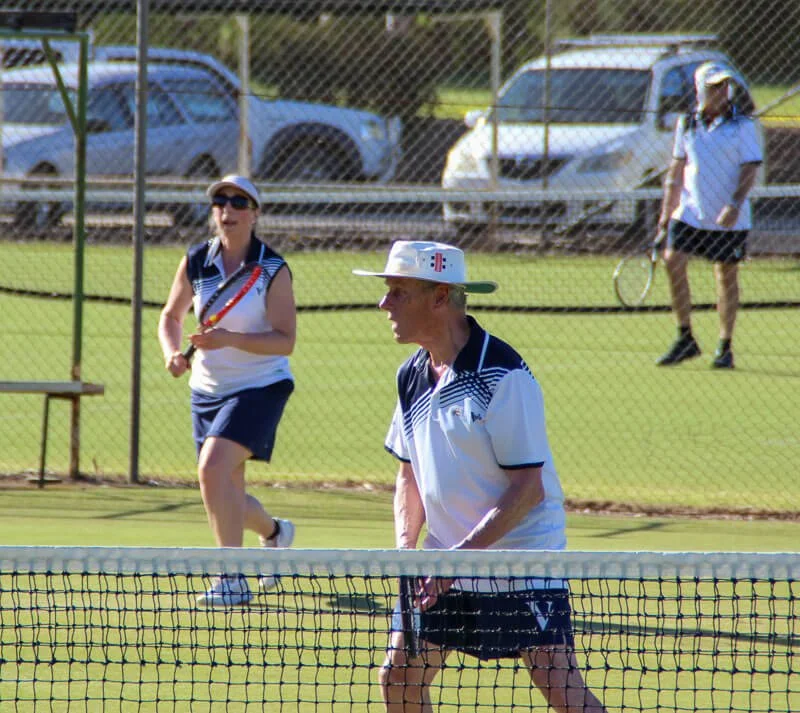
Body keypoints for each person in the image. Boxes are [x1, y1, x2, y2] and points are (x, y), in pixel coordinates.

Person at [353, 240, 607, 713]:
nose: (383, 304)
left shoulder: (503, 376)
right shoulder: (410, 375)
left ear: (439, 297)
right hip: (443, 559)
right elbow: (409, 476)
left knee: (559, 686)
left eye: (398, 292)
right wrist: (408, 550)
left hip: (521, 561)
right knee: (399, 678)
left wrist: (458, 560)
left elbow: (528, 489)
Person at [157, 175, 296, 607]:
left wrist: (230, 339)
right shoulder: (197, 260)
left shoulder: (273, 269)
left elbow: (285, 339)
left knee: (211, 470)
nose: (227, 210)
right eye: (220, 201)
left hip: (261, 386)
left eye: (239, 202)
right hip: (207, 388)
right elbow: (171, 316)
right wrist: (172, 353)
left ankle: (230, 579)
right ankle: (276, 533)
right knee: (227, 487)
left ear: (254, 213)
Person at [656, 61, 763, 369]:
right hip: (690, 212)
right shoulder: (686, 124)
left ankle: (724, 345)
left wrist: (734, 204)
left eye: (724, 86)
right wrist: (666, 215)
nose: (721, 92)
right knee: (672, 260)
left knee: (725, 274)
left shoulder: (742, 125)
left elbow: (750, 167)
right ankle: (685, 337)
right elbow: (676, 171)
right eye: (714, 86)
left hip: (729, 216)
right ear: (700, 90)